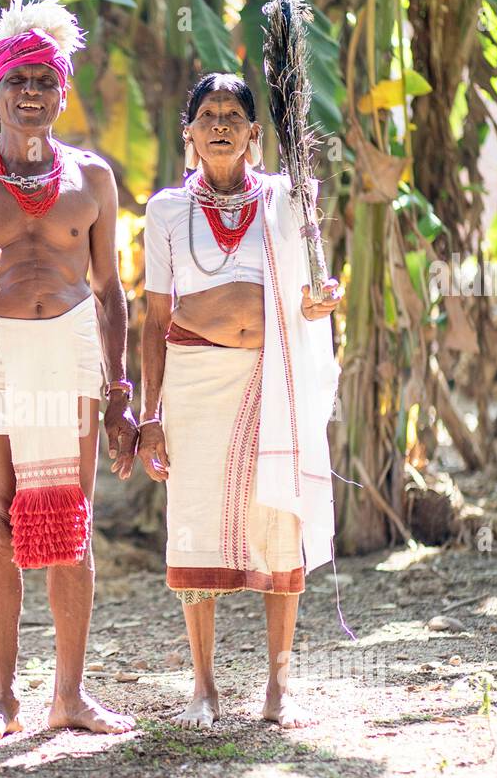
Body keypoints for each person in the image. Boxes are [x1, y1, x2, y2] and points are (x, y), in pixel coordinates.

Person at [0, 0, 138, 743]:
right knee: (0, 522)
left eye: (46, 81)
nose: (32, 94)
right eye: (18, 83)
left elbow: (111, 293)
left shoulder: (94, 180)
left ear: (62, 91)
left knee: (70, 524)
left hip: (70, 350)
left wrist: (122, 394)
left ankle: (69, 697)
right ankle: (3, 698)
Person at [137, 72, 343, 730]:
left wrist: (321, 301)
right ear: (189, 132)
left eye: (234, 115)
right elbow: (153, 320)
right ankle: (203, 689)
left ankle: (279, 692)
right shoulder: (166, 210)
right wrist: (151, 415)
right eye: (208, 114)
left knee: (277, 522)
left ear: (257, 134)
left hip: (274, 380)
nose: (221, 123)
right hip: (195, 383)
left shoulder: (290, 199)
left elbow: (314, 292)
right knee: (195, 522)